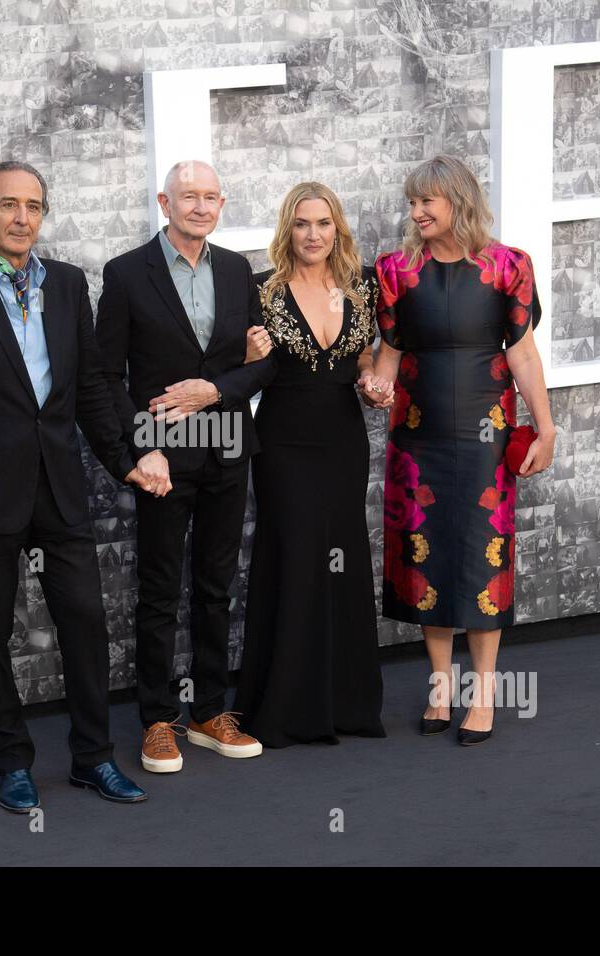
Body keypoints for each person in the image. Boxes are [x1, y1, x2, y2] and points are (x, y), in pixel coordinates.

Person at [0, 160, 159, 812]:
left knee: (85, 624)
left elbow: (93, 390)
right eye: (9, 204)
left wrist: (124, 459)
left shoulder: (70, 286)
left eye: (34, 206)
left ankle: (92, 759)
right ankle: (11, 762)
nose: (22, 218)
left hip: (59, 489)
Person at [96, 159, 274, 773]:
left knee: (216, 586)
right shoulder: (124, 275)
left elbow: (262, 364)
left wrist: (215, 392)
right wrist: (139, 446)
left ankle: (207, 713)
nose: (200, 207)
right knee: (160, 589)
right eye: (188, 197)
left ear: (221, 205)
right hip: (161, 456)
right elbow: (103, 376)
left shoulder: (236, 270)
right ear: (163, 203)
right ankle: (157, 720)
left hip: (227, 445)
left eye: (211, 198)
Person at [371, 154, 556, 745]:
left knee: (482, 556)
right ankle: (439, 688)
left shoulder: (509, 266)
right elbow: (391, 353)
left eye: (427, 201)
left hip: (487, 433)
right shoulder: (394, 270)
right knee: (427, 557)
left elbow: (523, 353)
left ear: (459, 200)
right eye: (411, 203)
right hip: (416, 436)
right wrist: (375, 383)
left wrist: (545, 428)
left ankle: (483, 694)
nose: (416, 212)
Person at [234, 182, 393, 747]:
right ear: (288, 229)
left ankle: (345, 703)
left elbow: (362, 358)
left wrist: (373, 384)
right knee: (296, 556)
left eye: (323, 223)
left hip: (344, 438)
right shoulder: (261, 290)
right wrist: (249, 356)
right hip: (283, 440)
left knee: (344, 557)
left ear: (337, 229)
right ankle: (285, 708)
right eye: (302, 223)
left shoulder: (363, 287)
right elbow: (244, 365)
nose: (313, 234)